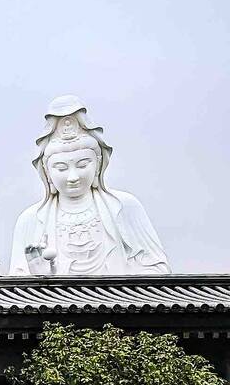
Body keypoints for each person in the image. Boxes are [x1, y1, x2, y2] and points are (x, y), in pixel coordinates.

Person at [10, 97, 170, 276]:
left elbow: (159, 272)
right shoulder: (30, 220)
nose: (73, 177)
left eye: (82, 165)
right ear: (47, 174)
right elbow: (16, 287)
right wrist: (41, 279)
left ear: (98, 166)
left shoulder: (123, 207)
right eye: (61, 168)